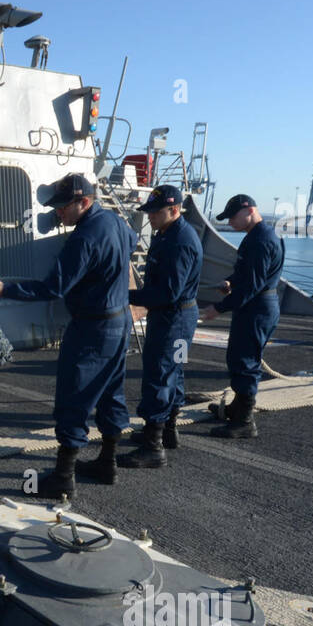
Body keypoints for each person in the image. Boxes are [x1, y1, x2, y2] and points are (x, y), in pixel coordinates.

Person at [0, 173, 137, 493]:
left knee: (73, 399)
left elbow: (54, 287)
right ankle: (108, 463)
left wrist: (5, 289)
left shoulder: (83, 237)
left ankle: (63, 477)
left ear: (84, 201)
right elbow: (131, 245)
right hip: (119, 322)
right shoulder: (117, 222)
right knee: (111, 395)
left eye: (63, 206)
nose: (58, 213)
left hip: (92, 328)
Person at [121, 185, 202, 468]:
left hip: (172, 320)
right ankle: (168, 431)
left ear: (174, 210)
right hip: (179, 317)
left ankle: (152, 446)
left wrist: (127, 296)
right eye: (149, 212)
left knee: (160, 374)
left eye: (155, 212)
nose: (150, 217)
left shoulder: (179, 242)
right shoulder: (168, 234)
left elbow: (167, 292)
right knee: (174, 372)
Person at [201, 194, 285, 439]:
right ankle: (238, 408)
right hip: (260, 304)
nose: (230, 223)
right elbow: (249, 275)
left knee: (245, 361)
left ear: (249, 210)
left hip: (256, 307)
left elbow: (252, 284)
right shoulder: (264, 235)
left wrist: (220, 307)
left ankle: (244, 421)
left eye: (232, 217)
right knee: (240, 356)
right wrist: (231, 281)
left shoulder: (259, 240)